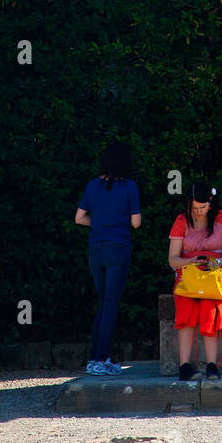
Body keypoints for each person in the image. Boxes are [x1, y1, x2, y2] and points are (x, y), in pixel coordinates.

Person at [75, 141, 141, 375]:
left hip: (96, 247)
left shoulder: (93, 185)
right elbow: (136, 222)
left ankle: (95, 357)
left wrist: (100, 222)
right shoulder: (130, 187)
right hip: (118, 247)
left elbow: (79, 218)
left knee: (102, 302)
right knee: (111, 304)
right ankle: (101, 359)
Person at [169, 182, 222, 381]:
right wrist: (190, 261)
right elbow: (172, 258)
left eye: (203, 207)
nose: (199, 212)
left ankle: (211, 365)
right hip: (188, 273)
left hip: (215, 274)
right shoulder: (182, 220)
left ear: (211, 203)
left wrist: (215, 262)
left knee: (211, 308)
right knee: (186, 309)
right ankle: (184, 366)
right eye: (194, 208)